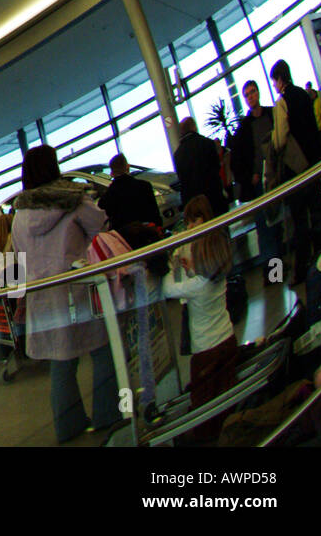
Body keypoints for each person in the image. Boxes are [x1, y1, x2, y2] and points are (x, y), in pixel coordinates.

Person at [10, 145, 118, 443]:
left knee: (61, 362)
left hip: (43, 299)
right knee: (104, 349)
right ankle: (108, 415)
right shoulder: (74, 200)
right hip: (79, 289)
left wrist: (21, 300)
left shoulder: (19, 216)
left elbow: (17, 261)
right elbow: (102, 225)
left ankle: (68, 426)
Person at [162, 196, 237, 443]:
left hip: (206, 351)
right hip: (227, 339)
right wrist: (191, 266)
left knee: (204, 414)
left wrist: (171, 264)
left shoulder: (198, 285)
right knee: (226, 404)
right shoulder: (217, 272)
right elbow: (200, 277)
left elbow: (169, 289)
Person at [271, 60, 321, 285]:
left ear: (279, 79)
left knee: (299, 221)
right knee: (318, 213)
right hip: (314, 163)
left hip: (296, 171)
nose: (274, 85)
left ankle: (303, 269)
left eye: (275, 80)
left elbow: (280, 139)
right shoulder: (305, 96)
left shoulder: (282, 103)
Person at [230, 80, 280, 266]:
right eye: (247, 94)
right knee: (264, 226)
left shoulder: (271, 114)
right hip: (260, 181)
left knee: (277, 221)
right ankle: (273, 272)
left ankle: (278, 266)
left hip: (276, 174)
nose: (251, 97)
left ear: (258, 93)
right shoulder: (245, 127)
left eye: (253, 92)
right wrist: (250, 176)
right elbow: (238, 159)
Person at [173, 117, 229, 219]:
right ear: (194, 127)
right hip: (212, 197)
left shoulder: (178, 154)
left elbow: (182, 178)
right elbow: (216, 167)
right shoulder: (207, 143)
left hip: (194, 203)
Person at [98, 154, 162, 232]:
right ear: (127, 167)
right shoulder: (144, 186)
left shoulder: (107, 197)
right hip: (148, 232)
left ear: (112, 172)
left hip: (125, 238)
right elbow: (155, 214)